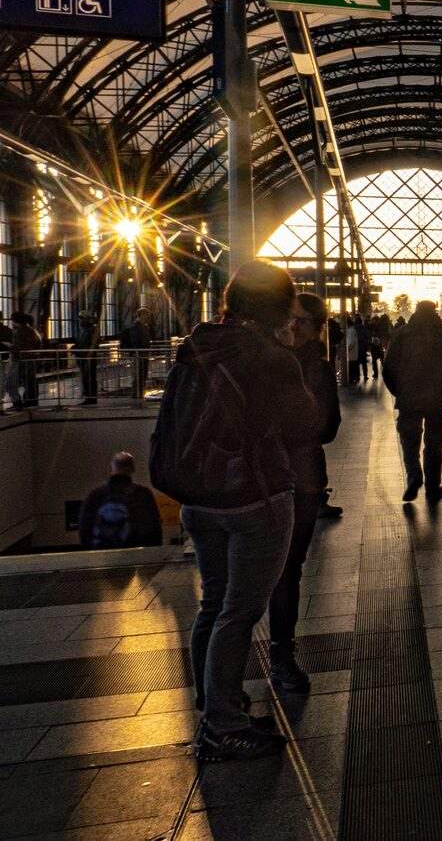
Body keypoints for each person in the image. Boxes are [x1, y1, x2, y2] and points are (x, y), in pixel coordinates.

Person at [152, 260, 315, 762]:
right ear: (278, 305)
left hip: (198, 497)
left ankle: (215, 705)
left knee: (213, 605)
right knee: (238, 614)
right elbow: (306, 423)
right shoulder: (270, 356)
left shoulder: (199, 342)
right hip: (254, 498)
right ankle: (223, 726)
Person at [265, 292, 340, 692]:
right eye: (289, 319)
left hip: (302, 481)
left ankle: (281, 654)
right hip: (266, 480)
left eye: (303, 322)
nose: (294, 328)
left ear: (317, 329)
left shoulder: (317, 367)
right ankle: (221, 688)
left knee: (288, 571)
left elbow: (327, 426)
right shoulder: (262, 360)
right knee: (239, 582)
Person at [383, 300, 442, 503]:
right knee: (435, 443)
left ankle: (413, 475)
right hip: (437, 399)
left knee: (409, 441)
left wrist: (400, 392)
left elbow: (388, 368)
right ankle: (433, 486)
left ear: (416, 312)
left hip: (409, 398)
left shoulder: (402, 335)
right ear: (435, 311)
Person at [76, 451, 162, 548]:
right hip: (136, 556)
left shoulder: (95, 495)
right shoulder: (142, 495)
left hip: (102, 555)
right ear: (132, 468)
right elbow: (154, 529)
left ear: (112, 467)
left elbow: (85, 529)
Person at [119, 307, 156, 398]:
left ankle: (140, 392)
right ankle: (137, 394)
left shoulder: (143, 325)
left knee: (142, 373)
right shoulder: (136, 326)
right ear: (142, 315)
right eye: (147, 315)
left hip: (142, 353)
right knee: (139, 374)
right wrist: (139, 351)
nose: (148, 317)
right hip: (139, 354)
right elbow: (135, 340)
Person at [8, 312, 40, 409]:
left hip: (21, 360)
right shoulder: (32, 330)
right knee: (30, 380)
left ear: (15, 321)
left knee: (11, 382)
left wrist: (9, 347)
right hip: (31, 359)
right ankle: (31, 400)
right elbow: (38, 344)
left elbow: (18, 347)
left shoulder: (19, 332)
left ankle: (18, 402)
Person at [73, 310, 99, 406]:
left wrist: (86, 352)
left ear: (87, 319)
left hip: (89, 357)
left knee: (90, 378)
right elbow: (79, 342)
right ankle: (88, 397)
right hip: (82, 357)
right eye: (80, 318)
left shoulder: (93, 329)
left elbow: (93, 344)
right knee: (85, 378)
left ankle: (91, 398)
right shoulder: (80, 328)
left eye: (82, 319)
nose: (80, 320)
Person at [342, 314, 361, 386]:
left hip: (351, 353)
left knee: (351, 366)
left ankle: (352, 378)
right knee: (353, 366)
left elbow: (351, 342)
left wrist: (346, 348)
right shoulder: (352, 330)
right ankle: (354, 378)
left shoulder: (350, 331)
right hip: (353, 353)